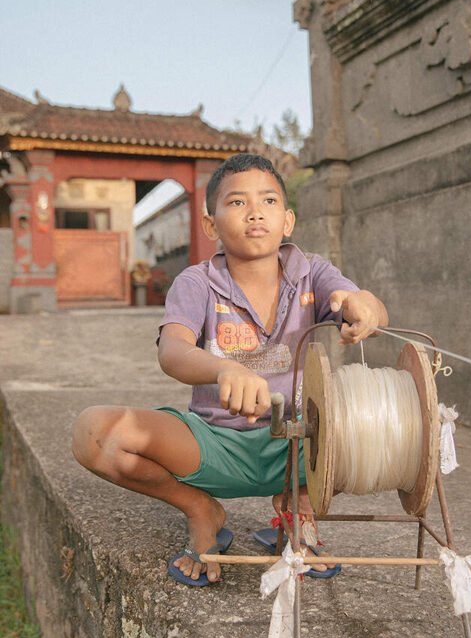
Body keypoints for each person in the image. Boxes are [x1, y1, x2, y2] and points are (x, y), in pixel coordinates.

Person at [72, 154, 388, 587]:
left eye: (269, 200)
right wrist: (223, 370)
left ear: (288, 219)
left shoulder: (313, 273)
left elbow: (360, 303)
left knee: (372, 429)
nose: (255, 212)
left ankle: (298, 510)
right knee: (94, 433)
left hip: (296, 444)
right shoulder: (196, 282)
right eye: (237, 202)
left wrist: (364, 306)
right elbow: (173, 350)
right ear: (210, 225)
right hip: (213, 443)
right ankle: (203, 510)